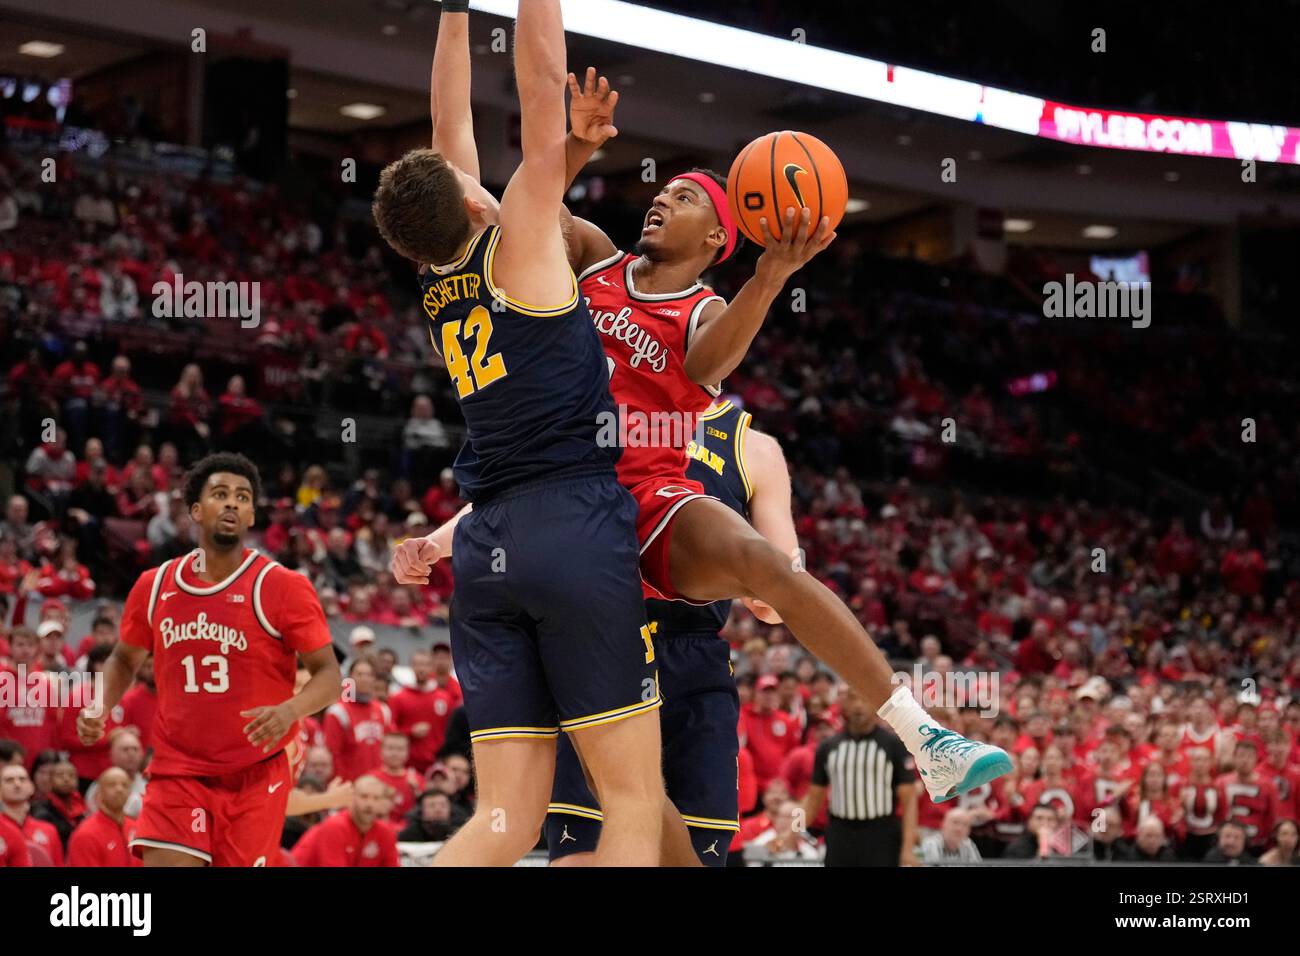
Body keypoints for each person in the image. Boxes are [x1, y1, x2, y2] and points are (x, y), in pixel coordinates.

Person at [395, 9, 1011, 817]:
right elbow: (531, 201)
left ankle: (924, 735)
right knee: (630, 820)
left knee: (767, 568)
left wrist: (772, 274)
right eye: (658, 190)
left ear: (722, 233)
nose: (659, 200)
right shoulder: (593, 260)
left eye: (682, 197)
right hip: (556, 501)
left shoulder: (706, 309)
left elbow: (712, 363)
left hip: (642, 501)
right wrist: (577, 146)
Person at [374, 0, 668, 866]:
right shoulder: (527, 239)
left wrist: (455, 15)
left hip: (488, 545)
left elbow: (446, 121)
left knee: (502, 824)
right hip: (574, 523)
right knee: (633, 806)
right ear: (471, 197)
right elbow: (541, 90)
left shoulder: (440, 276)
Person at [544, 401, 799, 867]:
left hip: (694, 655)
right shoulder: (599, 413)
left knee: (696, 855)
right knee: (582, 847)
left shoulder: (755, 448)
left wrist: (774, 583)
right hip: (607, 641)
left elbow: (778, 597)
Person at [76, 452, 342, 866]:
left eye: (242, 496)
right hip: (177, 771)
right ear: (197, 511)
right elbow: (125, 659)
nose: (233, 503)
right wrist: (100, 703)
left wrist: (290, 710)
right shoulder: (154, 585)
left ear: (253, 514)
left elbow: (329, 674)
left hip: (256, 772)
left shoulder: (283, 587)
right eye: (221, 494)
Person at [800, 688, 920, 866]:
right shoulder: (827, 747)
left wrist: (908, 849)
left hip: (881, 833)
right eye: (852, 699)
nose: (858, 706)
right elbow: (813, 798)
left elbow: (909, 800)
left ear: (876, 705)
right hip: (840, 833)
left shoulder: (894, 745)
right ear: (843, 704)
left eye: (864, 699)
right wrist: (793, 831)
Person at [291, 774, 399, 867]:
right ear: (351, 798)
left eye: (376, 798)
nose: (369, 804)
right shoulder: (334, 827)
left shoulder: (386, 833)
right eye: (364, 796)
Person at [0, 762, 64, 865]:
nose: (17, 784)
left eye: (22, 779)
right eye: (9, 780)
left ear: (31, 787)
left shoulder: (49, 830)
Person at [918, 807, 982, 863]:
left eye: (965, 825)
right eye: (955, 822)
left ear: (969, 830)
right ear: (943, 825)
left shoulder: (968, 843)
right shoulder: (931, 844)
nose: (959, 828)